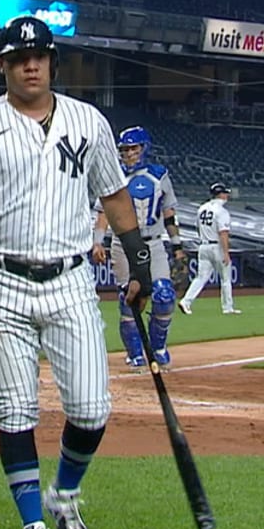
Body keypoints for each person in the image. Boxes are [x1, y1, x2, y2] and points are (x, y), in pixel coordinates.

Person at [0, 14, 152, 529]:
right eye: (19, 57)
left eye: (40, 55)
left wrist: (140, 260)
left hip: (71, 280)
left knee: (92, 409)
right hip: (0, 279)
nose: (31, 64)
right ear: (3, 64)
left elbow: (114, 193)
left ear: (53, 61)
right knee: (15, 413)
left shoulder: (88, 122)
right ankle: (35, 528)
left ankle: (65, 494)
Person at [90, 125, 185, 371]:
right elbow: (103, 212)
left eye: (133, 148)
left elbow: (169, 212)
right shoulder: (114, 175)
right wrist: (98, 241)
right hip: (124, 244)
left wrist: (177, 245)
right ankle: (135, 354)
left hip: (153, 242)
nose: (128, 153)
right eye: (124, 149)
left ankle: (157, 349)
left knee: (164, 296)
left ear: (144, 148)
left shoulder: (159, 175)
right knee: (129, 299)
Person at [179, 182, 241, 316]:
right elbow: (223, 233)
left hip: (203, 245)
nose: (227, 196)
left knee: (200, 277)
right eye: (225, 193)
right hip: (216, 246)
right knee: (225, 278)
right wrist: (226, 253)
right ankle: (227, 307)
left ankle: (186, 301)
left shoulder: (202, 208)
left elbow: (198, 227)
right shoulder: (222, 211)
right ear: (221, 194)